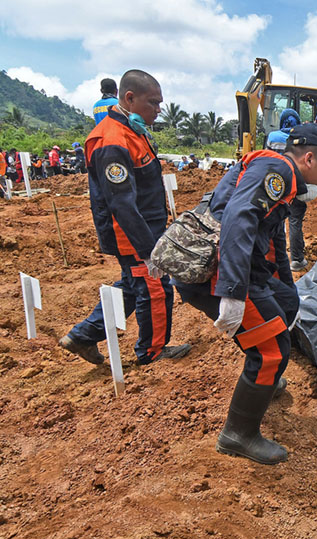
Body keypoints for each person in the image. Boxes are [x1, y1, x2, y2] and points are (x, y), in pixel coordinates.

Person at [173, 123, 317, 464]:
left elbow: (274, 240)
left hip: (239, 268)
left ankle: (265, 385)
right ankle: (238, 434)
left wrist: (286, 290)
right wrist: (233, 293)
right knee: (271, 350)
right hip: (218, 273)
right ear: (308, 158)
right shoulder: (277, 170)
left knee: (284, 307)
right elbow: (238, 219)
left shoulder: (286, 181)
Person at [59, 69, 190, 366]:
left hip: (144, 227)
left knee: (132, 287)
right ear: (129, 98)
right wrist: (148, 252)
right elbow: (122, 203)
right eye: (153, 103)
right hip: (131, 232)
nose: (158, 110)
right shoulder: (111, 140)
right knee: (155, 286)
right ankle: (152, 352)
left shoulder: (133, 131)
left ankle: (82, 336)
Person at [265, 110, 312, 270]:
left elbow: (266, 159)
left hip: (273, 185)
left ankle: (272, 259)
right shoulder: (301, 139)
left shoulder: (272, 137)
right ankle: (297, 259)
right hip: (293, 184)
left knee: (273, 220)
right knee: (294, 221)